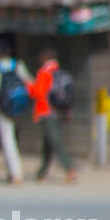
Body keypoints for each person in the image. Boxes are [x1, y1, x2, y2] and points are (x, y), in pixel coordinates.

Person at [0, 40, 34, 186]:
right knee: (15, 138)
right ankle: (15, 172)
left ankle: (15, 174)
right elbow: (30, 84)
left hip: (3, 110)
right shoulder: (18, 66)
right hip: (20, 108)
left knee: (8, 141)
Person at [27, 45, 78, 183]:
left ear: (44, 57)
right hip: (61, 112)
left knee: (55, 142)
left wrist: (29, 86)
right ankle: (42, 173)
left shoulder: (44, 73)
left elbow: (38, 93)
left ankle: (69, 168)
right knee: (48, 142)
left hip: (47, 112)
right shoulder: (61, 72)